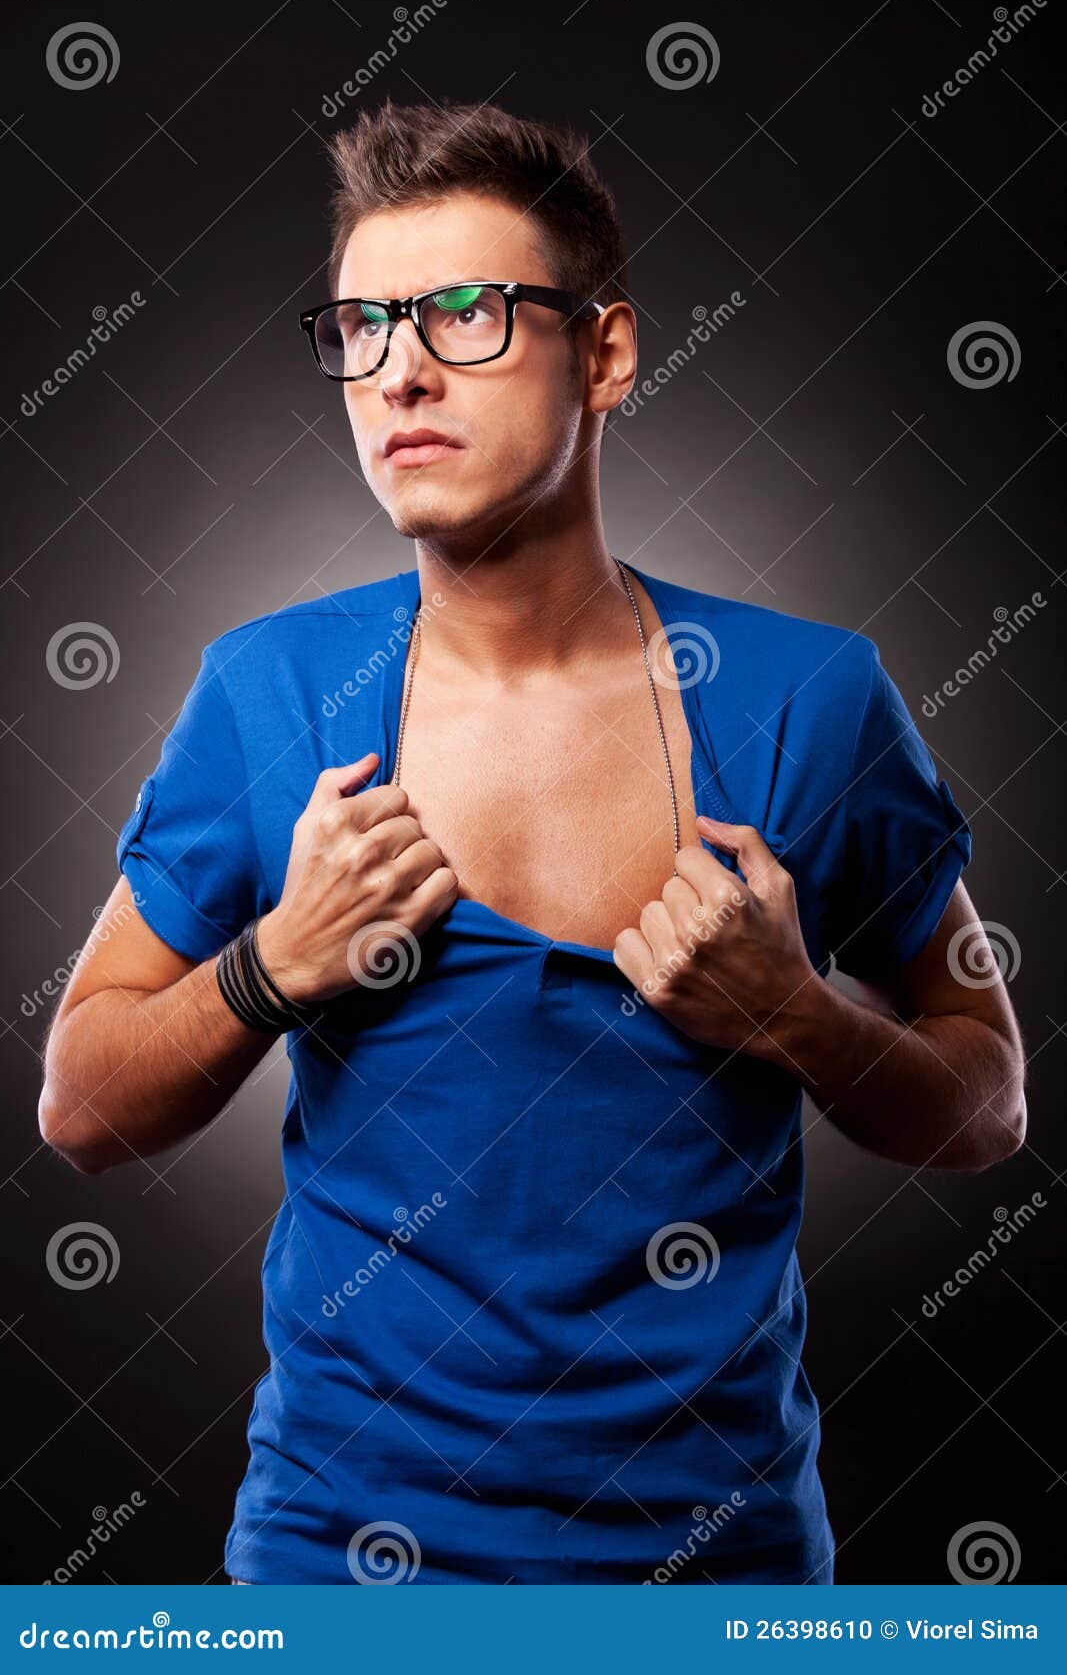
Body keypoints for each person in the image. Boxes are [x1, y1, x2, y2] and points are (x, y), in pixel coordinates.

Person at [38, 100, 1025, 1586]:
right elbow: (80, 1103)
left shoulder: (808, 698)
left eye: (467, 315)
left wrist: (800, 1019)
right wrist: (276, 964)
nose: (401, 371)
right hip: (341, 1572)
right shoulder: (273, 691)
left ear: (608, 352)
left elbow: (988, 1096)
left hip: (718, 1573)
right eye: (362, 327)